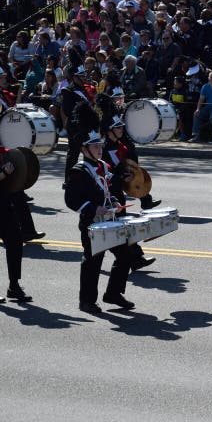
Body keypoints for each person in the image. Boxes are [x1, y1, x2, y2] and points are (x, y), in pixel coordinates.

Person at [64, 132, 134, 314]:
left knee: (125, 255)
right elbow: (71, 200)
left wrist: (114, 203)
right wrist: (94, 209)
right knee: (93, 262)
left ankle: (113, 293)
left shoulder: (103, 166)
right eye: (95, 147)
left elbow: (106, 191)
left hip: (110, 220)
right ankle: (86, 301)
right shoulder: (78, 171)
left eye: (100, 146)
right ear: (84, 150)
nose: (99, 150)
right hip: (91, 222)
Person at [101, 115, 156, 272]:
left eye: (121, 127)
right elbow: (103, 174)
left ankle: (136, 259)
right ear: (109, 131)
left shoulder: (122, 146)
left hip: (117, 193)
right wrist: (121, 176)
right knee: (113, 231)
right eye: (118, 128)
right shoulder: (101, 150)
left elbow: (130, 166)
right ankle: (133, 259)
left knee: (121, 227)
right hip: (106, 195)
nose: (121, 130)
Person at [0, 147, 31, 303]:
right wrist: (4, 173)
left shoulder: (3, 151)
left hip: (4, 205)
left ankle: (14, 285)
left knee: (15, 243)